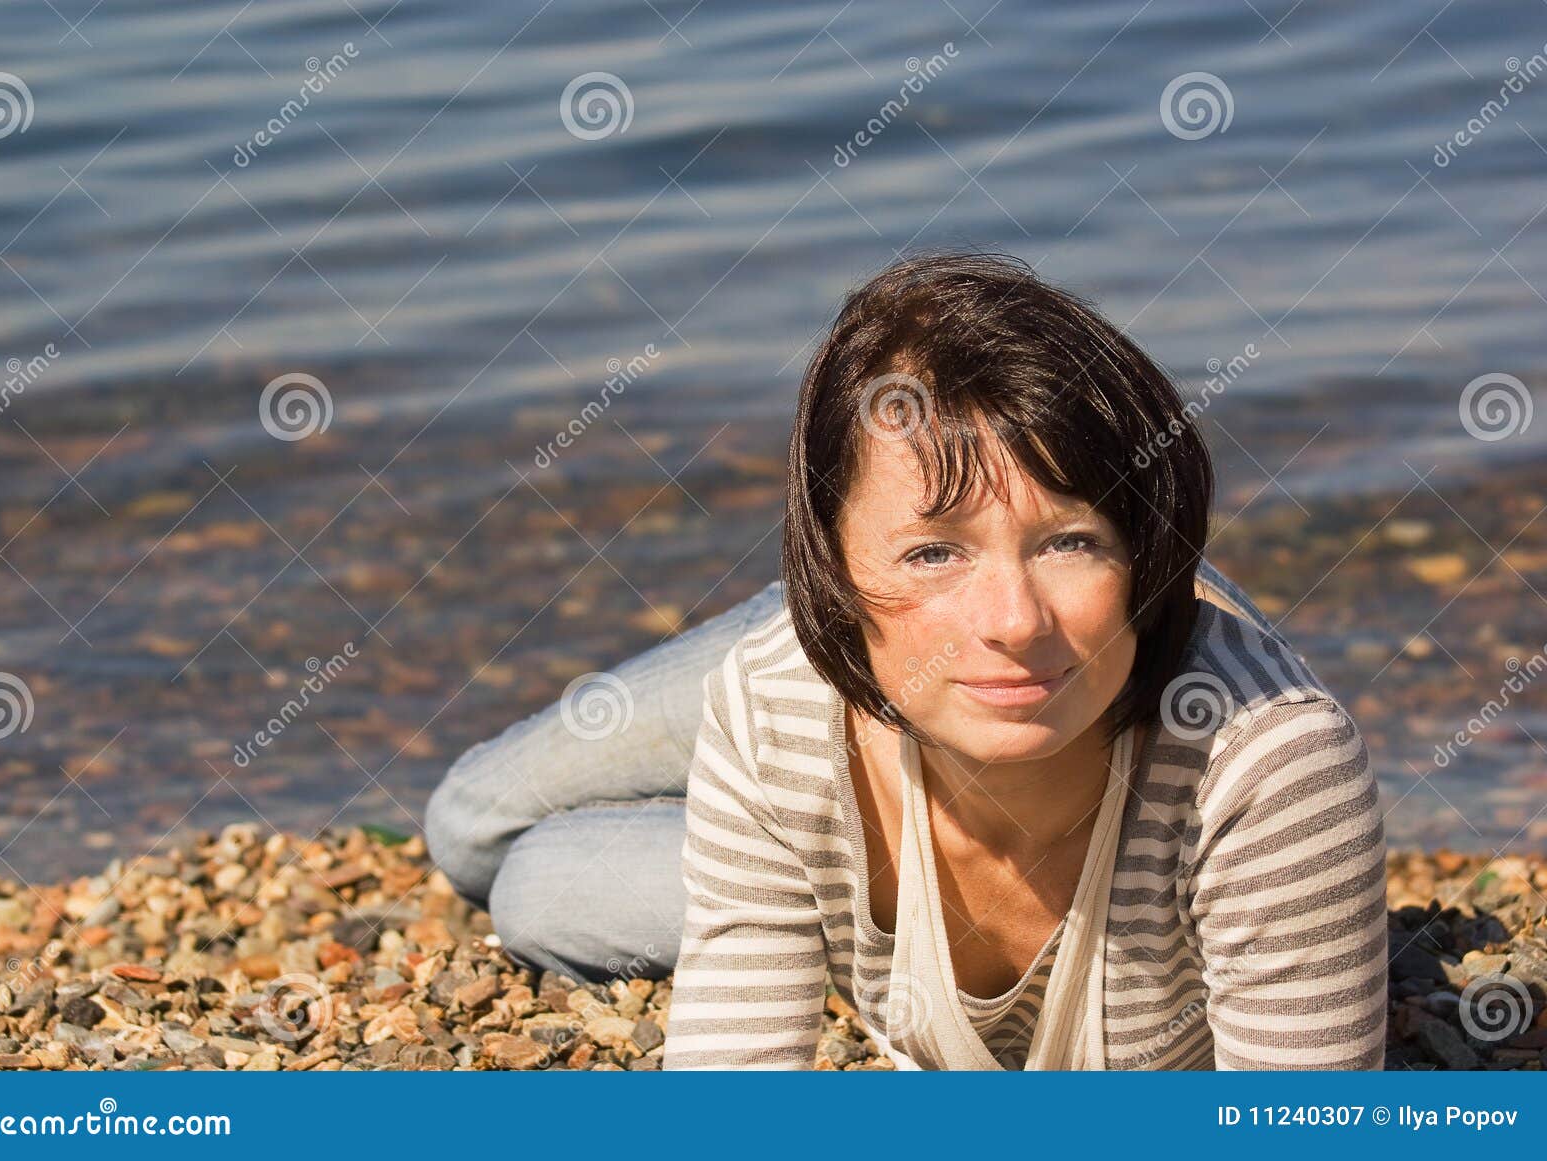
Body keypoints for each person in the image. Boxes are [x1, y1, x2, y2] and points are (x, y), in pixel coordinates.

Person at [424, 249, 1387, 1070]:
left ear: (1145, 550)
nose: (1014, 619)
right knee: (467, 824)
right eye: (934, 549)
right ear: (829, 561)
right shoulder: (774, 703)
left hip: (1048, 661)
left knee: (531, 888)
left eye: (1072, 539)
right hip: (856, 659)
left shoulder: (1265, 769)